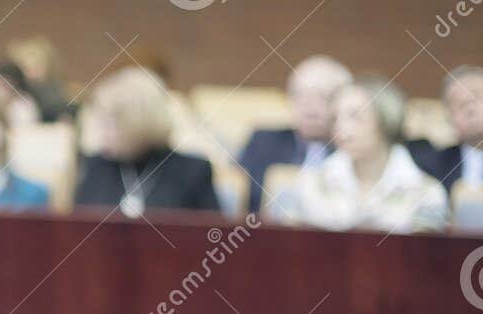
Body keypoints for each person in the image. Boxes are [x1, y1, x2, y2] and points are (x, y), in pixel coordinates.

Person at [268, 79, 448, 234]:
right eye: (335, 118)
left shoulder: (426, 193)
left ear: (386, 120)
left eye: (355, 117)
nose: (341, 129)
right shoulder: (310, 183)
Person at [74, 67, 221, 216]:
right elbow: (78, 226)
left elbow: (210, 229)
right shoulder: (95, 167)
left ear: (136, 122)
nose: (101, 132)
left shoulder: (192, 172)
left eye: (109, 123)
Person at [237, 55, 351, 215]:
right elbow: (245, 203)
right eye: (300, 95)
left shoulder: (352, 150)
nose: (310, 106)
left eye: (323, 96)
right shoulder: (264, 143)